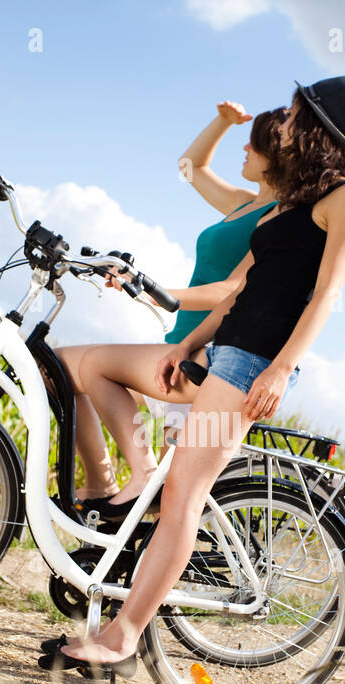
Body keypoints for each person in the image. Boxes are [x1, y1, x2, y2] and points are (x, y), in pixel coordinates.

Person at [43, 76, 345, 674]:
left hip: (253, 365)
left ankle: (122, 639)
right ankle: (116, 610)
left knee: (182, 498)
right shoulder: (289, 205)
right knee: (173, 490)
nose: (287, 124)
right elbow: (238, 291)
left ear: (320, 131)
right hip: (223, 352)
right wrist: (189, 341)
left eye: (297, 116)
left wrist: (280, 368)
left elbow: (327, 294)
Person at [56, 102, 286, 518]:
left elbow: (231, 291)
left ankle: (118, 489)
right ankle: (99, 482)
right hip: (180, 345)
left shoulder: (273, 219)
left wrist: (152, 289)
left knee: (163, 507)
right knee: (56, 370)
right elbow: (189, 166)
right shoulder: (245, 204)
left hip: (209, 358)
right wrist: (223, 122)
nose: (245, 150)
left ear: (276, 156)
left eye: (254, 144)